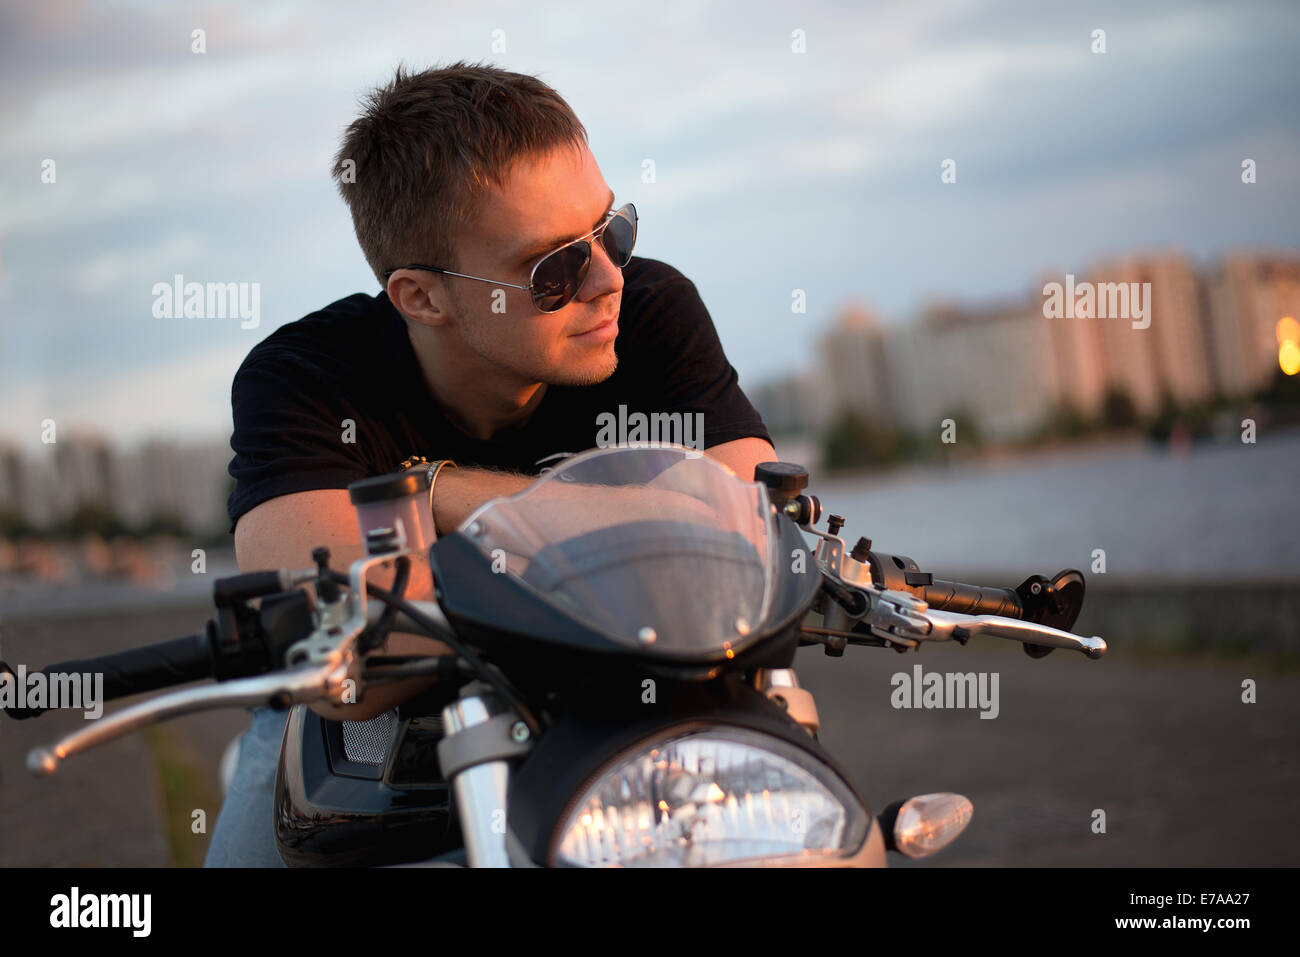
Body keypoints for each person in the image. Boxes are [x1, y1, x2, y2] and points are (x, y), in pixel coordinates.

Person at [204, 61, 776, 867]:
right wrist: (642, 539)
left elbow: (752, 533)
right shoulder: (305, 378)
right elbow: (345, 649)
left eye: (613, 230)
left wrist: (439, 491)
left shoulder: (651, 311)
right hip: (359, 743)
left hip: (622, 705)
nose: (610, 279)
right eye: (554, 268)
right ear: (421, 298)